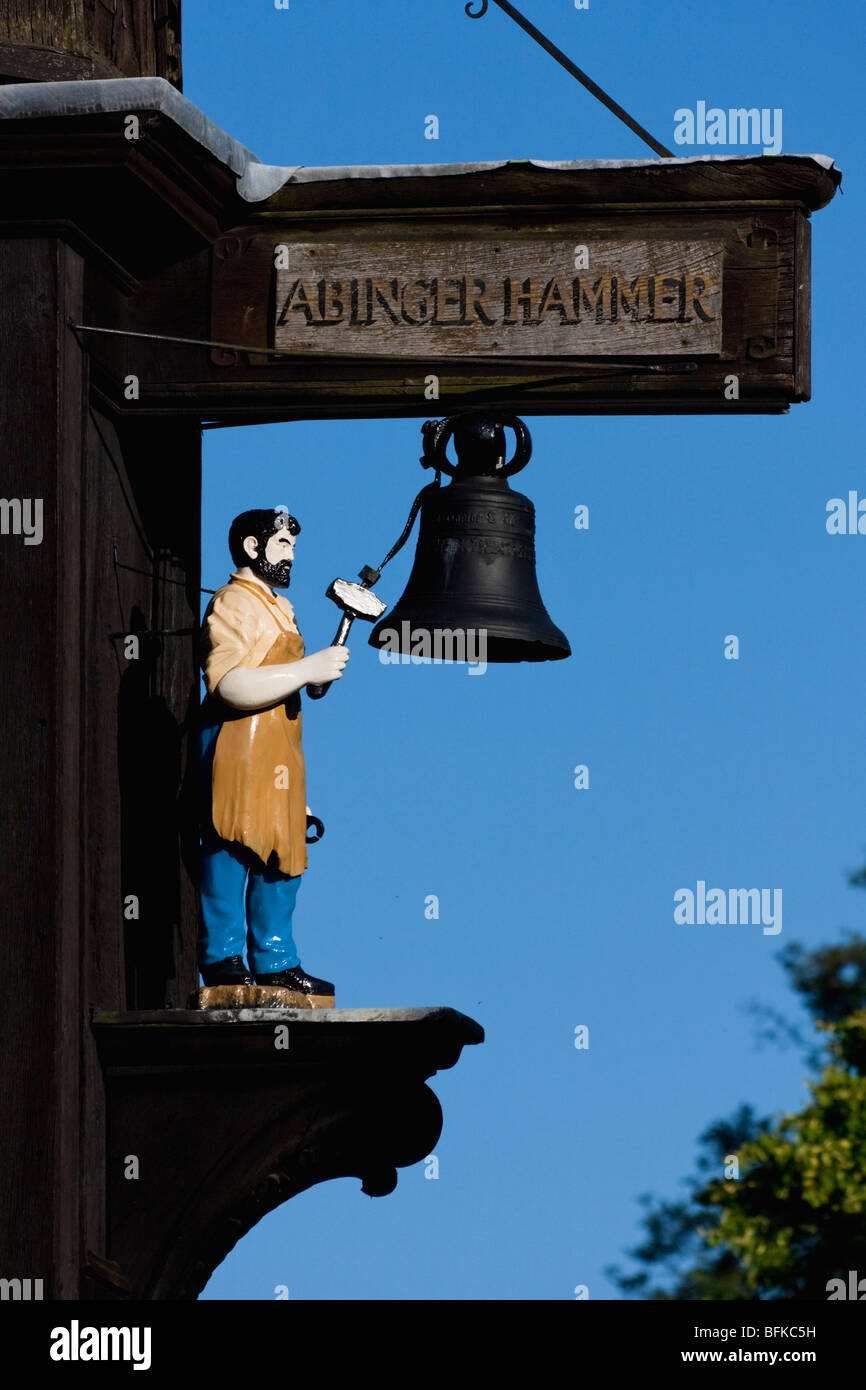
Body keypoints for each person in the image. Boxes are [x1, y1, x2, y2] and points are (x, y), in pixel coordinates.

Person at [196, 506, 348, 998]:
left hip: (280, 749)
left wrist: (318, 670)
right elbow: (230, 686)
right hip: (238, 746)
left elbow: (296, 689)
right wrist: (307, 669)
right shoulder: (233, 604)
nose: (290, 556)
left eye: (292, 548)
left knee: (283, 855)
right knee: (232, 845)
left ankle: (277, 960)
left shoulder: (280, 606)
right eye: (282, 546)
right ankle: (223, 957)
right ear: (251, 547)